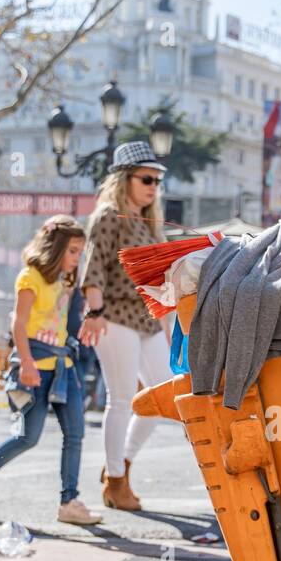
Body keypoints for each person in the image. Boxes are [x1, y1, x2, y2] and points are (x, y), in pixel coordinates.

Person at [0, 215, 101, 525]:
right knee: (28, 436)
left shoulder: (68, 280)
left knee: (75, 434)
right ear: (56, 248)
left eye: (81, 251)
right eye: (73, 251)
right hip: (36, 364)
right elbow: (18, 323)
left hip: (64, 366)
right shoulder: (31, 276)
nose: (78, 258)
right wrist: (25, 363)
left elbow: (91, 290)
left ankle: (69, 501)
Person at [78, 140, 174, 511]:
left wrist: (166, 325)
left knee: (163, 398)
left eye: (157, 180)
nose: (153, 186)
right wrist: (95, 312)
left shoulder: (149, 225)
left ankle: (120, 465)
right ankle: (116, 481)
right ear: (124, 180)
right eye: (146, 178)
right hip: (115, 316)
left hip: (147, 321)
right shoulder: (108, 216)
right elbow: (94, 268)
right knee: (120, 400)